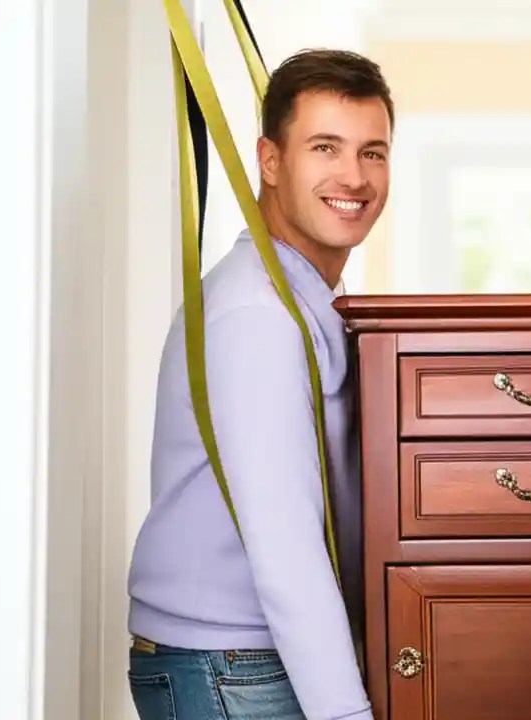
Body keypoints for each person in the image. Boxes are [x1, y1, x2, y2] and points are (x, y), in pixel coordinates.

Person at [126, 49, 393, 720]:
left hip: (235, 663)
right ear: (270, 161)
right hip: (234, 667)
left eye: (373, 152)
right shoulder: (260, 315)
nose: (353, 177)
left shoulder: (299, 300)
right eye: (325, 148)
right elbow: (285, 546)